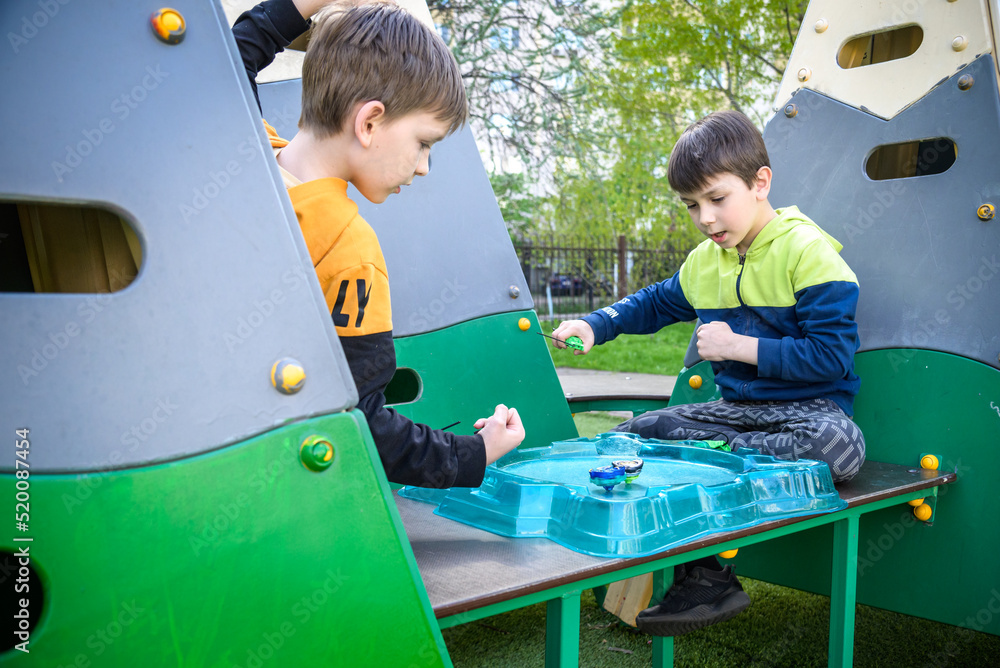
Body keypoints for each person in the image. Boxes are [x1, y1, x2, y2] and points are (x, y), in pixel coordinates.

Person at [553, 109, 865, 636]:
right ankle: (706, 576)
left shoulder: (808, 253)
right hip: (736, 414)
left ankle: (709, 468)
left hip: (807, 413)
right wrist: (594, 323)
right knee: (631, 436)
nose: (705, 217)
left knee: (839, 447)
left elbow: (831, 356)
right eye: (692, 205)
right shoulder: (704, 262)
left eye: (717, 199)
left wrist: (739, 347)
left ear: (760, 183)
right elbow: (653, 304)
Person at [233, 0, 524, 488]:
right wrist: (473, 453)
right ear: (369, 122)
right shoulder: (348, 248)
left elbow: (234, 56)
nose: (424, 167)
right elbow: (360, 419)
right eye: (424, 143)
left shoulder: (241, 152)